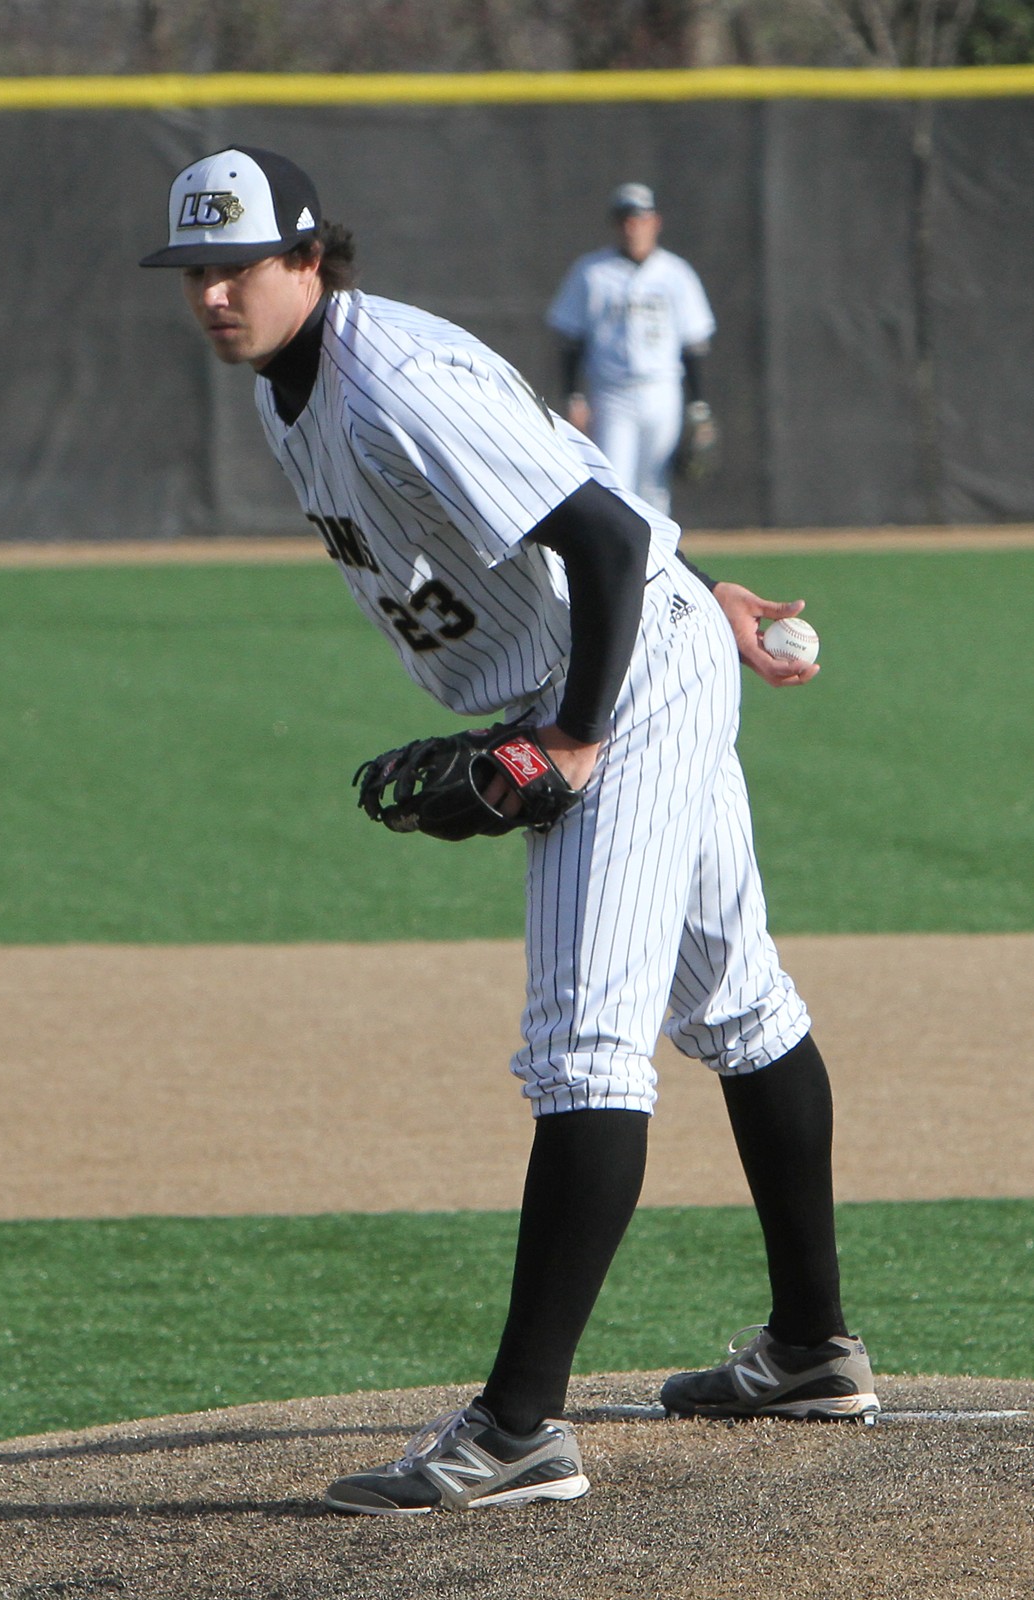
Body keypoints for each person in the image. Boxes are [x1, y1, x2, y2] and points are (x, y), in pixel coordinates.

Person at [142, 147, 878, 1516]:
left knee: (584, 1042)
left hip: (610, 685)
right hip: (628, 649)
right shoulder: (292, 390)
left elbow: (598, 540)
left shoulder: (391, 384)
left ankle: (520, 1428)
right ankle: (807, 1349)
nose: (212, 296)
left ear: (312, 257)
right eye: (195, 272)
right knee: (735, 1004)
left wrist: (581, 733)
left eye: (237, 266)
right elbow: (588, 488)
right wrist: (694, 590)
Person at [546, 181, 717, 516]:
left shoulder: (676, 273)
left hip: (661, 389)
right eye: (625, 219)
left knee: (655, 486)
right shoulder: (591, 272)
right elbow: (570, 339)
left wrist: (698, 403)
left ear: (655, 222)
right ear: (615, 224)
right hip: (611, 392)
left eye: (639, 218)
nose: (632, 227)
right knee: (613, 483)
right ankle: (622, 565)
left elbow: (694, 344)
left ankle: (658, 564)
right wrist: (572, 396)